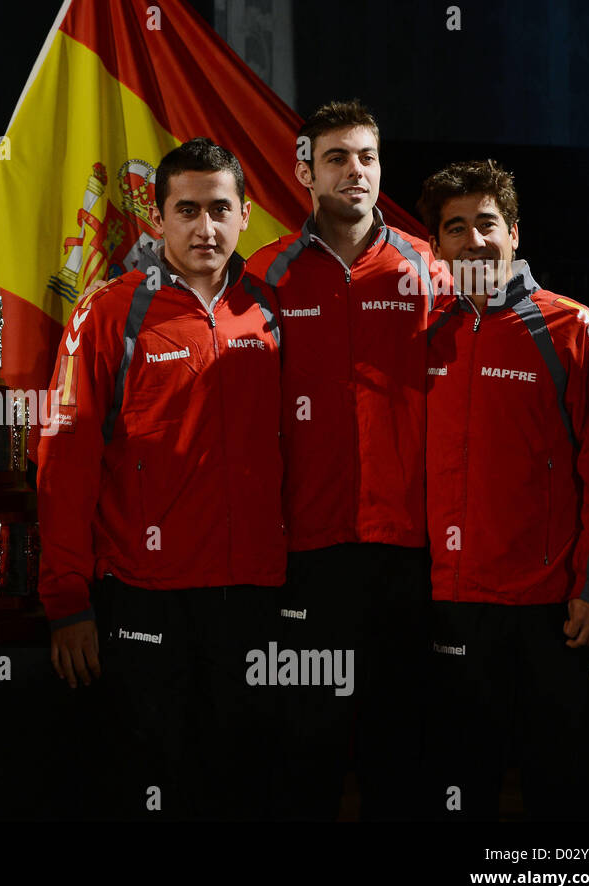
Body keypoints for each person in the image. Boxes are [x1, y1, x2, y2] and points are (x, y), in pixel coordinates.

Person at [39, 138, 284, 819]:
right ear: (158, 216)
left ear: (244, 216)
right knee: (148, 784)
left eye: (219, 209)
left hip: (254, 595)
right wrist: (67, 601)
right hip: (144, 600)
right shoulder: (110, 312)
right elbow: (64, 463)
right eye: (187, 210)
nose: (204, 228)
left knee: (245, 785)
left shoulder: (274, 312)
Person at [245, 99, 454, 820]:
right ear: (305, 171)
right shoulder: (266, 274)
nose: (355, 171)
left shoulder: (430, 268)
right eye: (336, 157)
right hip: (308, 552)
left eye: (366, 156)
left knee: (405, 754)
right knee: (306, 752)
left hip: (410, 551)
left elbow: (502, 331)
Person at [419, 159, 589, 820]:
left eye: (486, 223)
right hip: (451, 611)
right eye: (454, 228)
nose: (473, 240)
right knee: (458, 795)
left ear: (514, 232)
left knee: (560, 799)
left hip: (559, 615)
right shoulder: (421, 335)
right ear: (436, 247)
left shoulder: (578, 331)